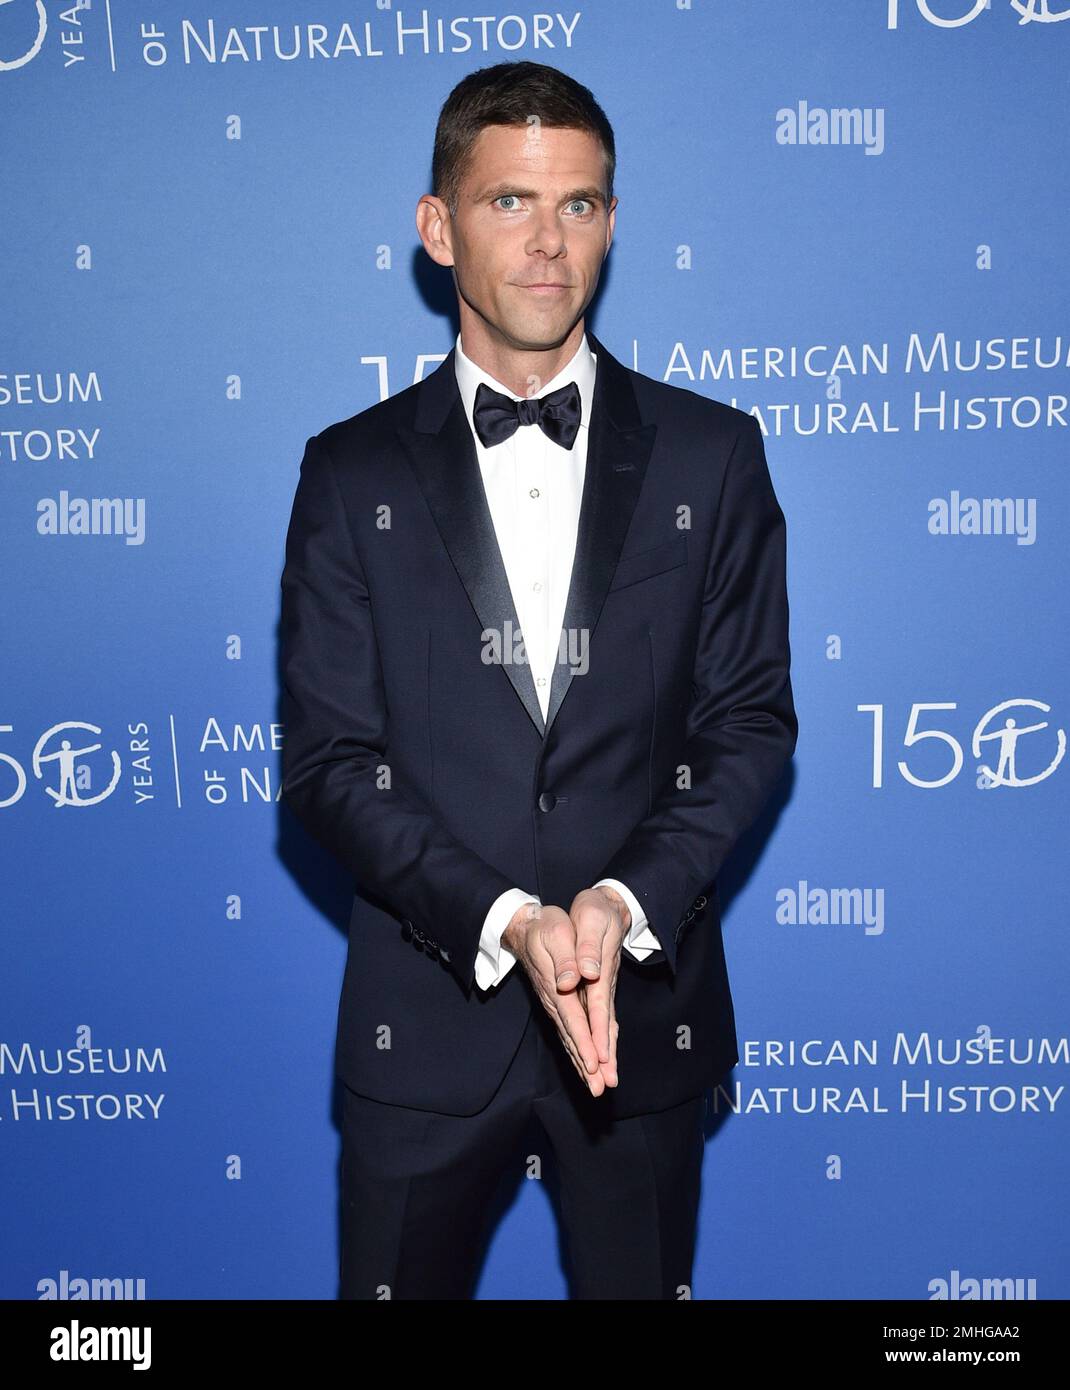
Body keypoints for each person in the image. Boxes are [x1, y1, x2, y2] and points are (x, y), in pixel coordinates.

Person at [279, 59, 797, 1300]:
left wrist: (619, 900)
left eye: (580, 205)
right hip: (424, 1030)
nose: (549, 243)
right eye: (510, 201)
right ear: (437, 227)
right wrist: (506, 917)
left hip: (644, 1038)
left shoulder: (712, 455)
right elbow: (329, 763)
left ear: (611, 221)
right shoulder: (349, 475)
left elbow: (748, 725)